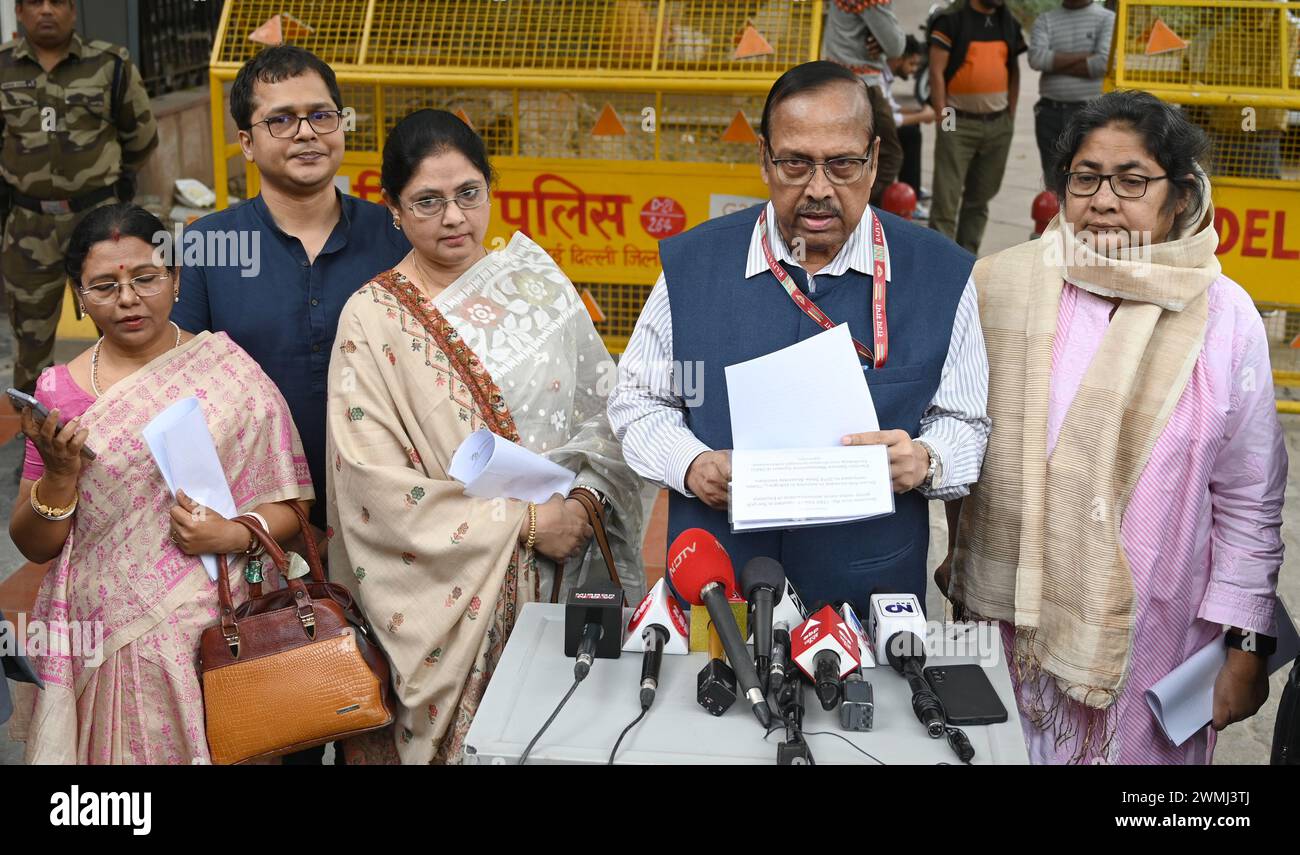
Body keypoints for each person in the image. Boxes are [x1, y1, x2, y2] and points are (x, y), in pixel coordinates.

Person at [942, 91, 1288, 764]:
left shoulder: (1224, 317)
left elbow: (1252, 497)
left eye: (1133, 181)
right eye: (1085, 177)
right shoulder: (1000, 289)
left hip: (1159, 639)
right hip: (1011, 635)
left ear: (1181, 196)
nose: (1103, 200)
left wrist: (1247, 644)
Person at [609, 62, 989, 613]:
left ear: (875, 159)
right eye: (794, 163)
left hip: (869, 589)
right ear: (763, 157)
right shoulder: (694, 266)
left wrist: (927, 459)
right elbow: (639, 402)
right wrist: (691, 464)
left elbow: (967, 424)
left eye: (842, 165)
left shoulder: (940, 276)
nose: (818, 190)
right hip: (720, 585)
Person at [327, 109, 645, 764]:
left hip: (570, 565)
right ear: (391, 209)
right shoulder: (371, 318)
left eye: (469, 194)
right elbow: (374, 487)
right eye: (428, 201)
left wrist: (585, 503)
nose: (454, 218)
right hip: (451, 605)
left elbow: (607, 411)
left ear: (490, 189)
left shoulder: (533, 282)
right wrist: (525, 525)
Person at [6, 204, 314, 763]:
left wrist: (235, 534)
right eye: (104, 285)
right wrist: (58, 475)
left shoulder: (229, 371)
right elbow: (33, 543)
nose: (127, 299)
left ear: (174, 278)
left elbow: (294, 511)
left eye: (144, 278)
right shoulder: (57, 392)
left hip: (221, 633)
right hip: (103, 637)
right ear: (79, 295)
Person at [173, 45, 408, 545]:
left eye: (321, 116)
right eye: (281, 120)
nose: (306, 132)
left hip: (391, 507)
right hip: (257, 517)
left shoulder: (395, 234)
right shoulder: (209, 244)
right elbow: (180, 389)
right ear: (247, 143)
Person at [0, 0, 157, 394]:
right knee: (31, 335)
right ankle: (34, 431)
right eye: (35, 2)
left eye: (58, 2)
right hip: (27, 225)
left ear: (74, 10)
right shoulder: (3, 67)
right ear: (19, 11)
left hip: (99, 223)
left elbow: (140, 137)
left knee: (118, 320)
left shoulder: (110, 64)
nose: (47, 11)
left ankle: (122, 415)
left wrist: (113, 185)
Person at [927, 0, 1026, 253]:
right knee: (945, 202)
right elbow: (936, 73)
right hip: (956, 124)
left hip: (998, 125)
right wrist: (944, 120)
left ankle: (967, 261)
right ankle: (941, 264)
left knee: (979, 200)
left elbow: (1014, 71)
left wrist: (1009, 116)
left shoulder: (1008, 22)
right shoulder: (951, 20)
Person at [822, 0, 906, 205]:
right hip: (863, 85)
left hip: (834, 78)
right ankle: (855, 207)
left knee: (843, 153)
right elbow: (896, 46)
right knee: (888, 155)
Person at [1027, 0, 1115, 186]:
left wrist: (1054, 62)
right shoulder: (1045, 20)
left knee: (1090, 176)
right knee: (1053, 180)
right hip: (1050, 113)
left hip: (1093, 114)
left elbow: (1102, 64)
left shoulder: (1107, 19)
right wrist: (1085, 55)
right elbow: (1036, 59)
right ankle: (1056, 215)